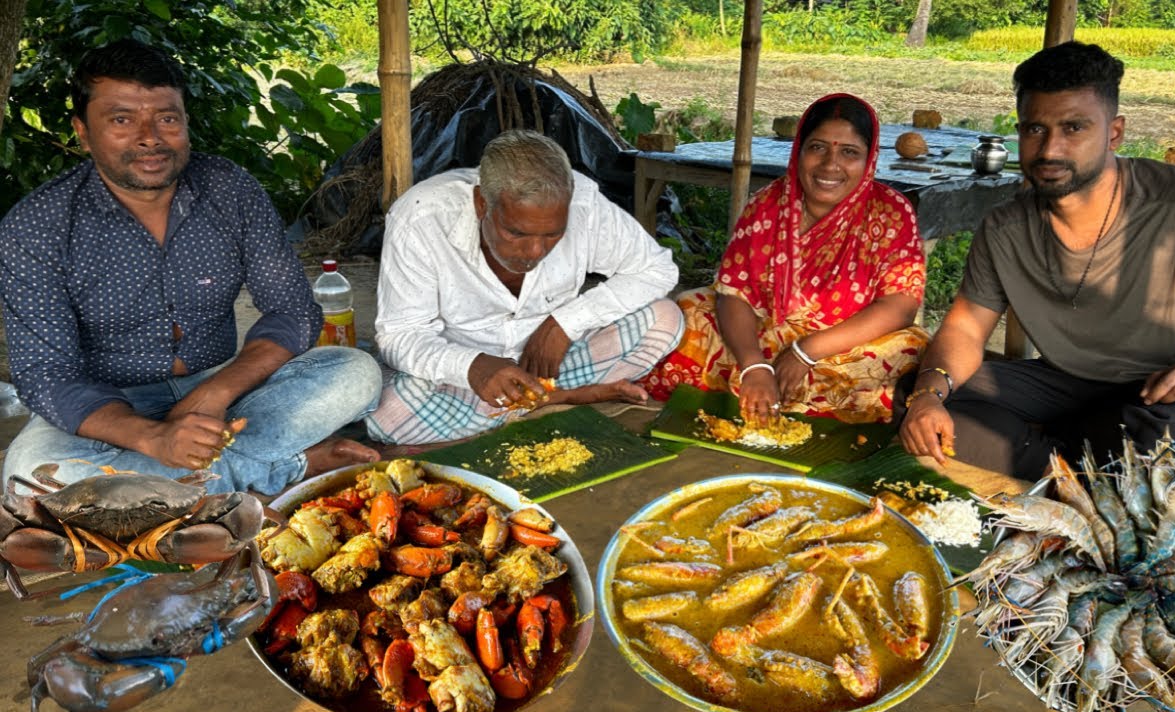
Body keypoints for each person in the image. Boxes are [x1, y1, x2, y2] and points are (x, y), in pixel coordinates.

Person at [0, 39, 382, 494]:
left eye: (166, 118)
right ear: (82, 132)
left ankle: (161, 489)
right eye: (122, 120)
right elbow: (46, 373)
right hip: (109, 407)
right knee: (31, 478)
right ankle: (284, 468)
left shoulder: (230, 190)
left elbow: (293, 312)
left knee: (355, 371)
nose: (150, 137)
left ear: (185, 123)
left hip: (225, 386)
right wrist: (152, 436)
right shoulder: (37, 225)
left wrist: (213, 394)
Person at [899, 41, 1175, 480]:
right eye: (1034, 129)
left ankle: (1068, 460)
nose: (1049, 150)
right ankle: (1092, 470)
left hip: (1165, 394)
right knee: (918, 397)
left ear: (1114, 132)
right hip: (1063, 385)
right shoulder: (1005, 228)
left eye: (1074, 128)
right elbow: (966, 327)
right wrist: (929, 395)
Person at [366, 129, 683, 443]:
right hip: (463, 379)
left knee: (665, 320)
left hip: (555, 363)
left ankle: (530, 402)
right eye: (516, 233)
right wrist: (471, 367)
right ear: (481, 204)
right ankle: (563, 398)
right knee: (387, 416)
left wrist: (564, 324)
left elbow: (657, 269)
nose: (535, 252)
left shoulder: (585, 207)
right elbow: (401, 335)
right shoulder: (421, 217)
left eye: (552, 235)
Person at [642, 93, 928, 424]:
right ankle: (759, 387)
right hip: (766, 334)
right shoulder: (767, 205)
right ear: (799, 151)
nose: (830, 164)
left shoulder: (890, 212)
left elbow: (900, 305)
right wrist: (754, 365)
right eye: (818, 147)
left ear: (869, 159)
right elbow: (734, 293)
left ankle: (754, 395)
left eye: (849, 152)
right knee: (689, 309)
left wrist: (806, 351)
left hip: (844, 344)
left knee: (909, 349)